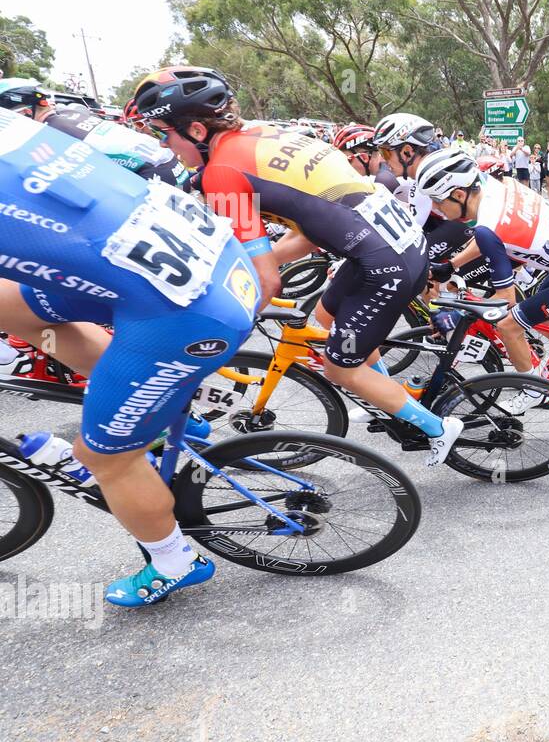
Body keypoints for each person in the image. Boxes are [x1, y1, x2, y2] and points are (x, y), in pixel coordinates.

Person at [134, 66, 464, 466]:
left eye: (162, 133)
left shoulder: (221, 172)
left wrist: (208, 325)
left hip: (381, 261)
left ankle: (436, 428)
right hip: (386, 244)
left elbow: (264, 280)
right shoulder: (261, 135)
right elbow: (306, 233)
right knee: (323, 318)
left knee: (340, 369)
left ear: (197, 131)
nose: (166, 148)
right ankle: (386, 393)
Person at [0, 108, 260, 606]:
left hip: (182, 312)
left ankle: (173, 561)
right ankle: (143, 410)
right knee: (14, 308)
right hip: (204, 264)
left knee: (102, 458)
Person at [418, 147, 549, 414]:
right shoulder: (496, 185)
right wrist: (451, 265)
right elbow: (487, 238)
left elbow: (504, 299)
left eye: (437, 200)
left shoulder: (488, 226)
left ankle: (534, 389)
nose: (436, 208)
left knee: (509, 325)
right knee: (540, 316)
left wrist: (459, 315)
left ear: (459, 194)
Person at [0, 77, 188, 187]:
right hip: (171, 165)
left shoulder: (48, 131)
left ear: (25, 114)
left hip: (153, 177)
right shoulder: (70, 112)